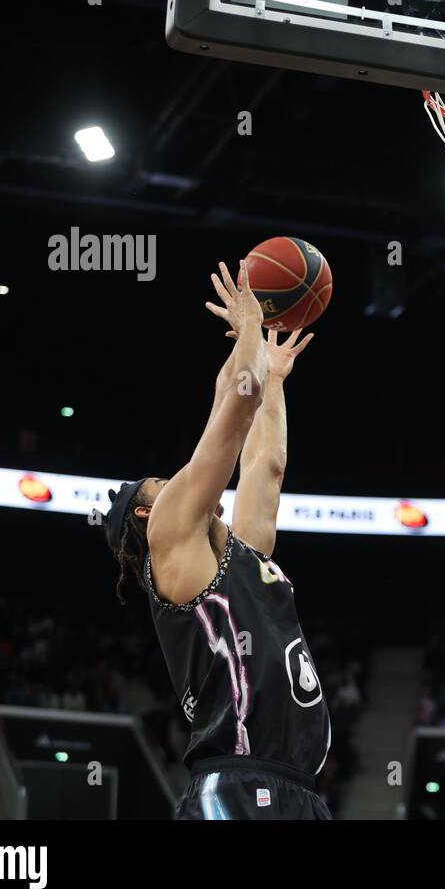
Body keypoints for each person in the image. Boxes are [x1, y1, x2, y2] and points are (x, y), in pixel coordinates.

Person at [102, 259, 329, 819]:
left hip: (296, 787)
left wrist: (273, 378)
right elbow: (232, 411)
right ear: (148, 513)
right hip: (235, 784)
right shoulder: (170, 536)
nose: (179, 477)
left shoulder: (238, 555)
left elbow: (266, 465)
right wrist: (250, 326)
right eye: (164, 481)